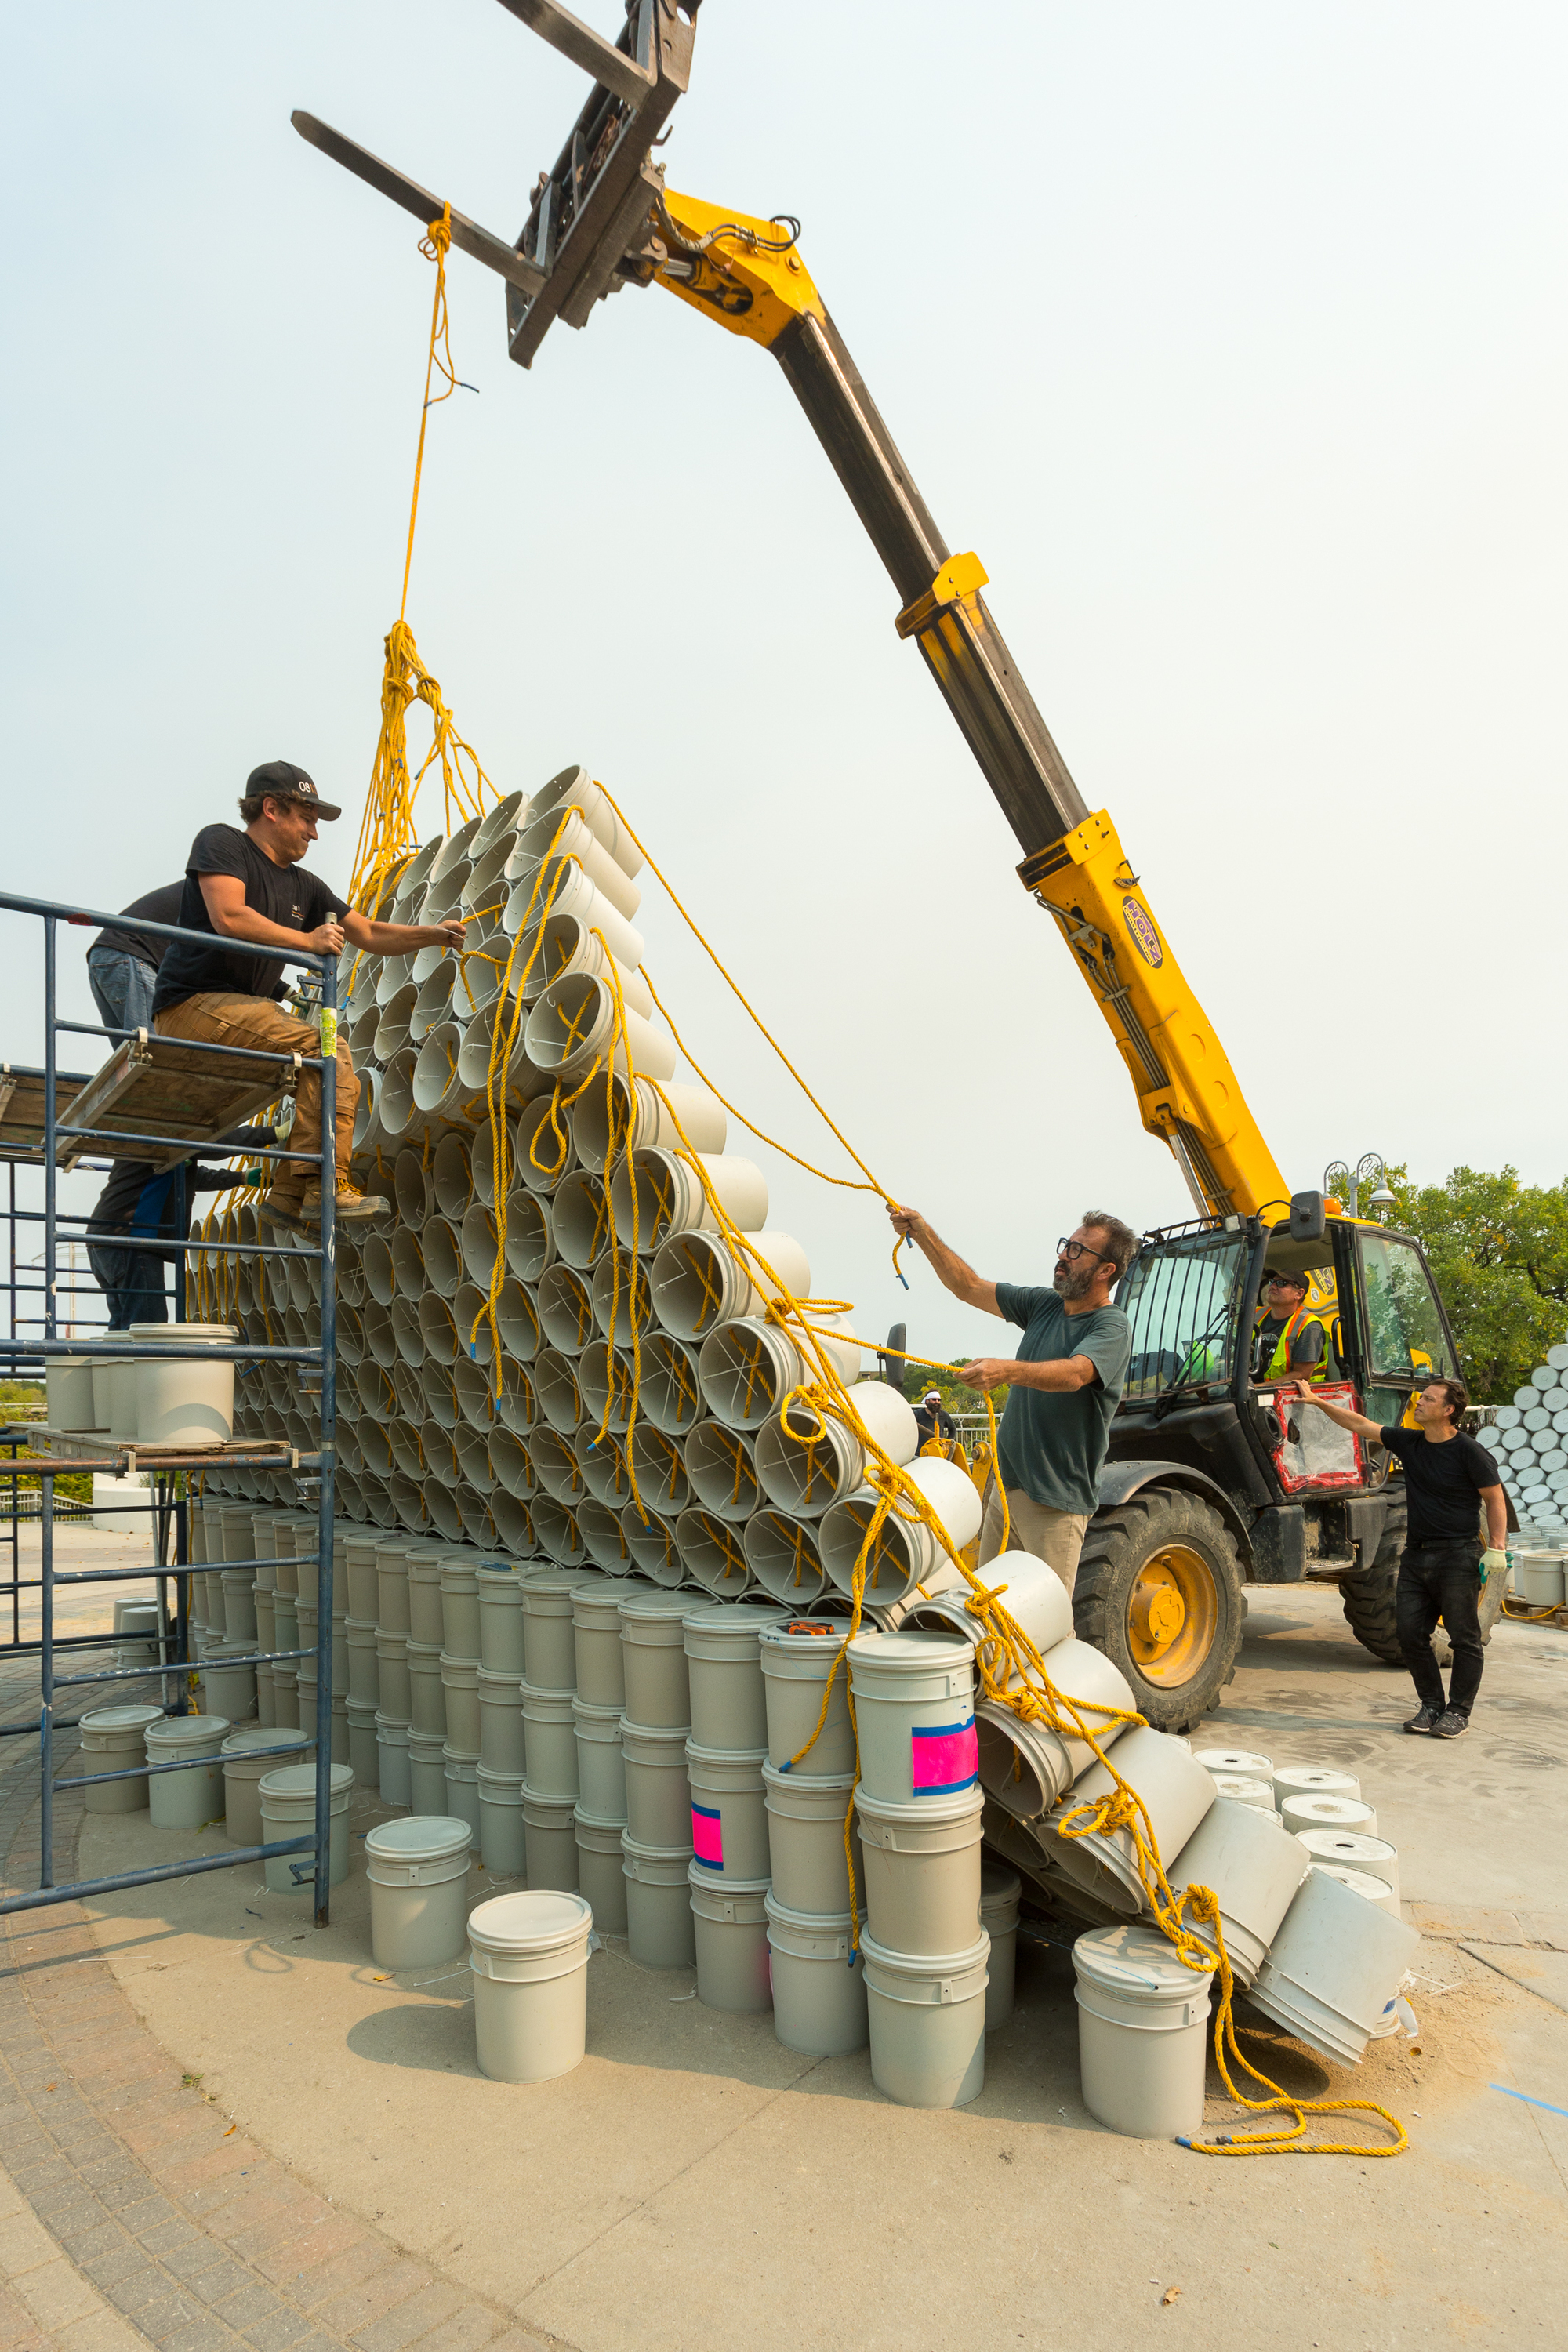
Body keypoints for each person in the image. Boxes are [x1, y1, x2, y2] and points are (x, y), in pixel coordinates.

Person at [151, 762, 466, 1226]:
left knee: (328, 1067)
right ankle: (326, 1186)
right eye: (308, 817)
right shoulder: (222, 843)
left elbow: (371, 933)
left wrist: (434, 935)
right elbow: (229, 917)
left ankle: (286, 1196)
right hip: (191, 1008)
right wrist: (309, 941)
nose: (315, 834)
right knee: (326, 1051)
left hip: (243, 1011)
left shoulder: (307, 885)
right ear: (272, 809)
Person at [887, 1205, 1136, 1595]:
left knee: (1044, 1626)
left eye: (1076, 1251)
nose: (1062, 1257)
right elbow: (967, 1286)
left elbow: (1075, 1374)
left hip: (1055, 1500)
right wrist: (921, 1233)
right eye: (1065, 1246)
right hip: (1007, 1490)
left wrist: (1006, 1370)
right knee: (992, 1617)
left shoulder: (1111, 1325)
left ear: (1106, 1270)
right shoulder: (1044, 1305)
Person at [1294, 1374, 1506, 1737]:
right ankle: (1431, 1706)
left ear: (1448, 1410)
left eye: (1427, 1398)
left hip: (1458, 1555)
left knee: (1463, 1638)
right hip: (1417, 1555)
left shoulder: (1468, 1451)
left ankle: (1458, 1712)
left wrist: (1498, 1549)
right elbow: (1359, 1424)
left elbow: (1495, 1498)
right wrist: (1316, 1402)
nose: (1418, 1402)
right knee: (1409, 1635)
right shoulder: (1411, 1442)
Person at [86, 1129, 273, 1328]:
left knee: (125, 1326)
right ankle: (144, 1359)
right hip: (132, 1240)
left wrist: (241, 1177)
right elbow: (214, 1144)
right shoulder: (162, 1133)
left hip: (108, 1240)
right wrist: (272, 1134)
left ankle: (120, 1358)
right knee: (147, 1327)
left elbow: (191, 1177)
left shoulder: (148, 1143)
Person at [86, 884, 187, 1038]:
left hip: (106, 953)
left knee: (131, 1056)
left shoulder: (208, 883)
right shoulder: (220, 890)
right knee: (151, 1052)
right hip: (129, 953)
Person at [1252, 1268, 1337, 1385]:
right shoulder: (1255, 1315)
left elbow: (1302, 1374)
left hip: (1292, 1398)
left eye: (1281, 1284)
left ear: (1299, 1294)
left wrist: (1258, 1388)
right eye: (1272, 1282)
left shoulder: (1309, 1326)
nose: (1273, 1287)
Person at [913, 1388, 958, 1453]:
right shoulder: (917, 1414)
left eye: (939, 1400)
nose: (937, 1402)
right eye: (934, 1400)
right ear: (927, 1401)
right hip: (921, 1451)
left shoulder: (944, 1415)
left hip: (938, 1451)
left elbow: (952, 1428)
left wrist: (948, 1442)